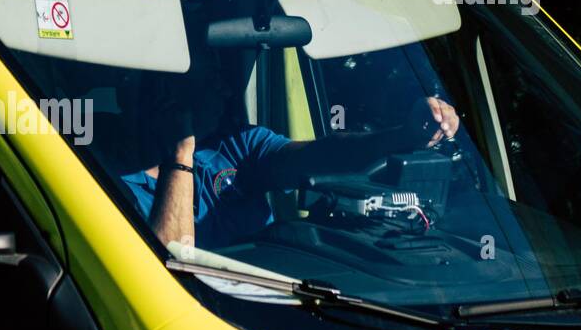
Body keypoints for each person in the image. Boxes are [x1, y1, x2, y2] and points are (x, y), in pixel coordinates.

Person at [123, 89, 460, 251]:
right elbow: (173, 259)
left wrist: (401, 137)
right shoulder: (111, 185)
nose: (218, 91)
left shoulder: (237, 144)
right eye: (199, 81)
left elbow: (321, 156)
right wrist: (179, 153)